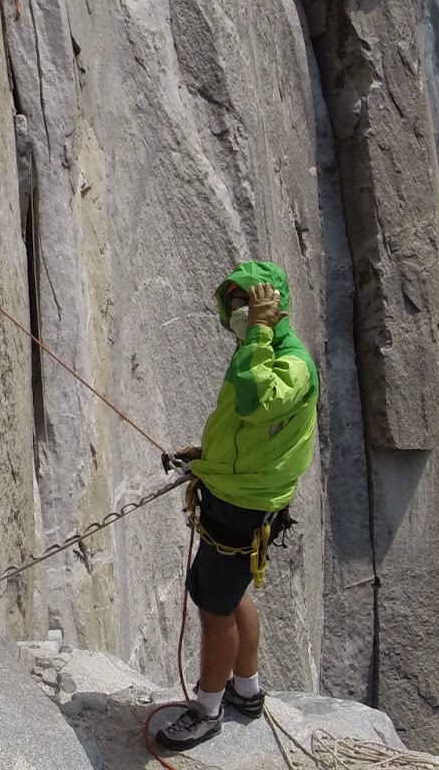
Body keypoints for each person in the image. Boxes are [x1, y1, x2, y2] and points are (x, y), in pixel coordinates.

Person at [155, 260, 320, 753]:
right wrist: (207, 457)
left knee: (213, 610)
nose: (238, 311)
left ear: (275, 306)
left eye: (247, 301)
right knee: (229, 595)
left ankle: (207, 709)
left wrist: (259, 335)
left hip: (243, 504)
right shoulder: (266, 352)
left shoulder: (288, 361)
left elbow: (253, 402)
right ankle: (245, 691)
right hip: (238, 492)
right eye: (232, 302)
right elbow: (249, 432)